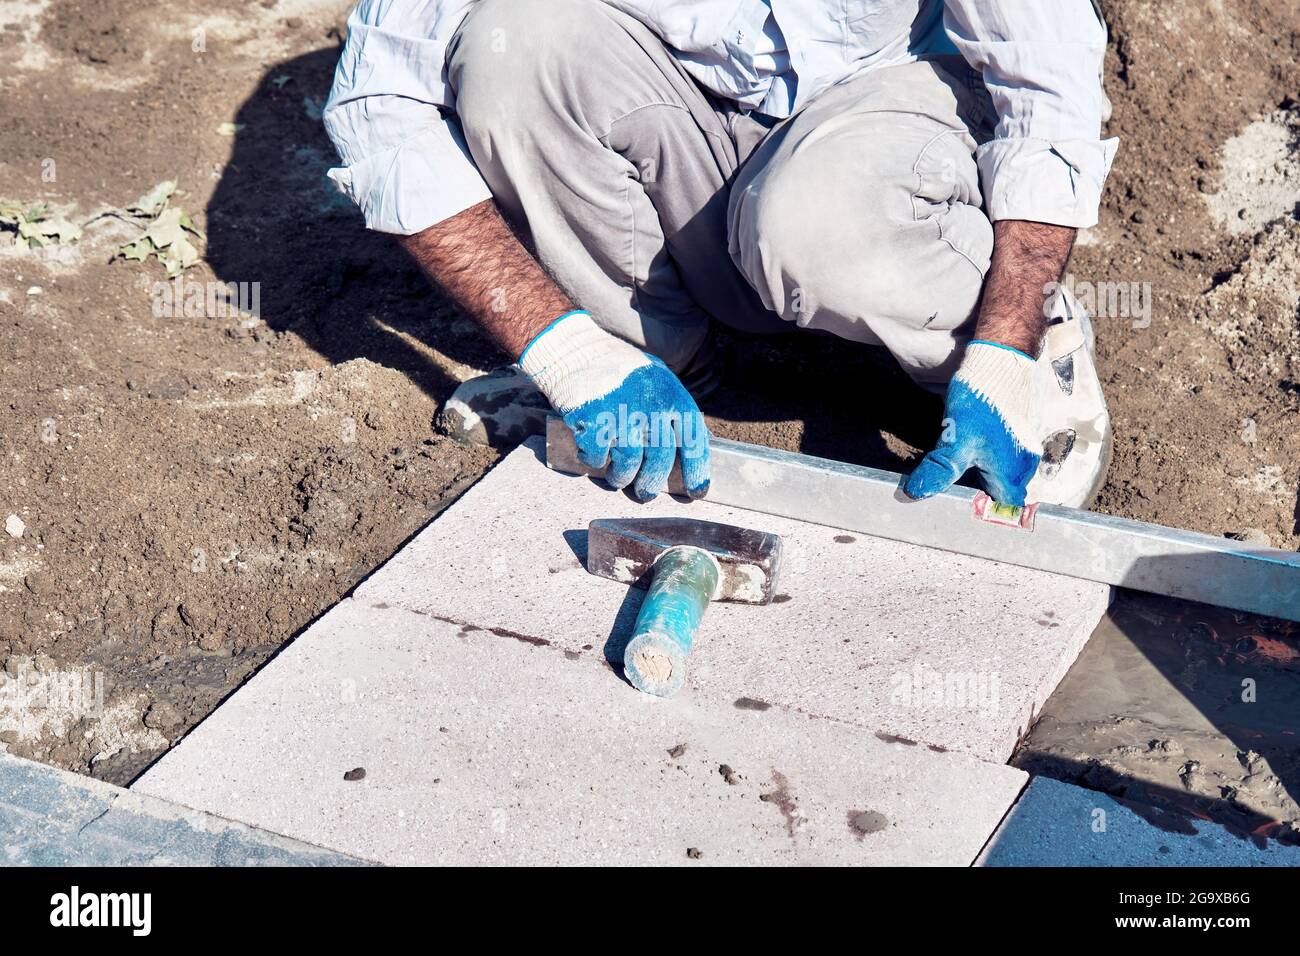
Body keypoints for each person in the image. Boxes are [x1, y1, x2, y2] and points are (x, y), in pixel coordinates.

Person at [323, 0, 1116, 507]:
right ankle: (640, 365)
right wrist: (559, 348)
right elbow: (375, 111)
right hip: (684, 116)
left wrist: (1008, 337)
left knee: (809, 218)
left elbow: (1048, 86)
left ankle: (1023, 349)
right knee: (515, 49)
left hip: (887, 104)